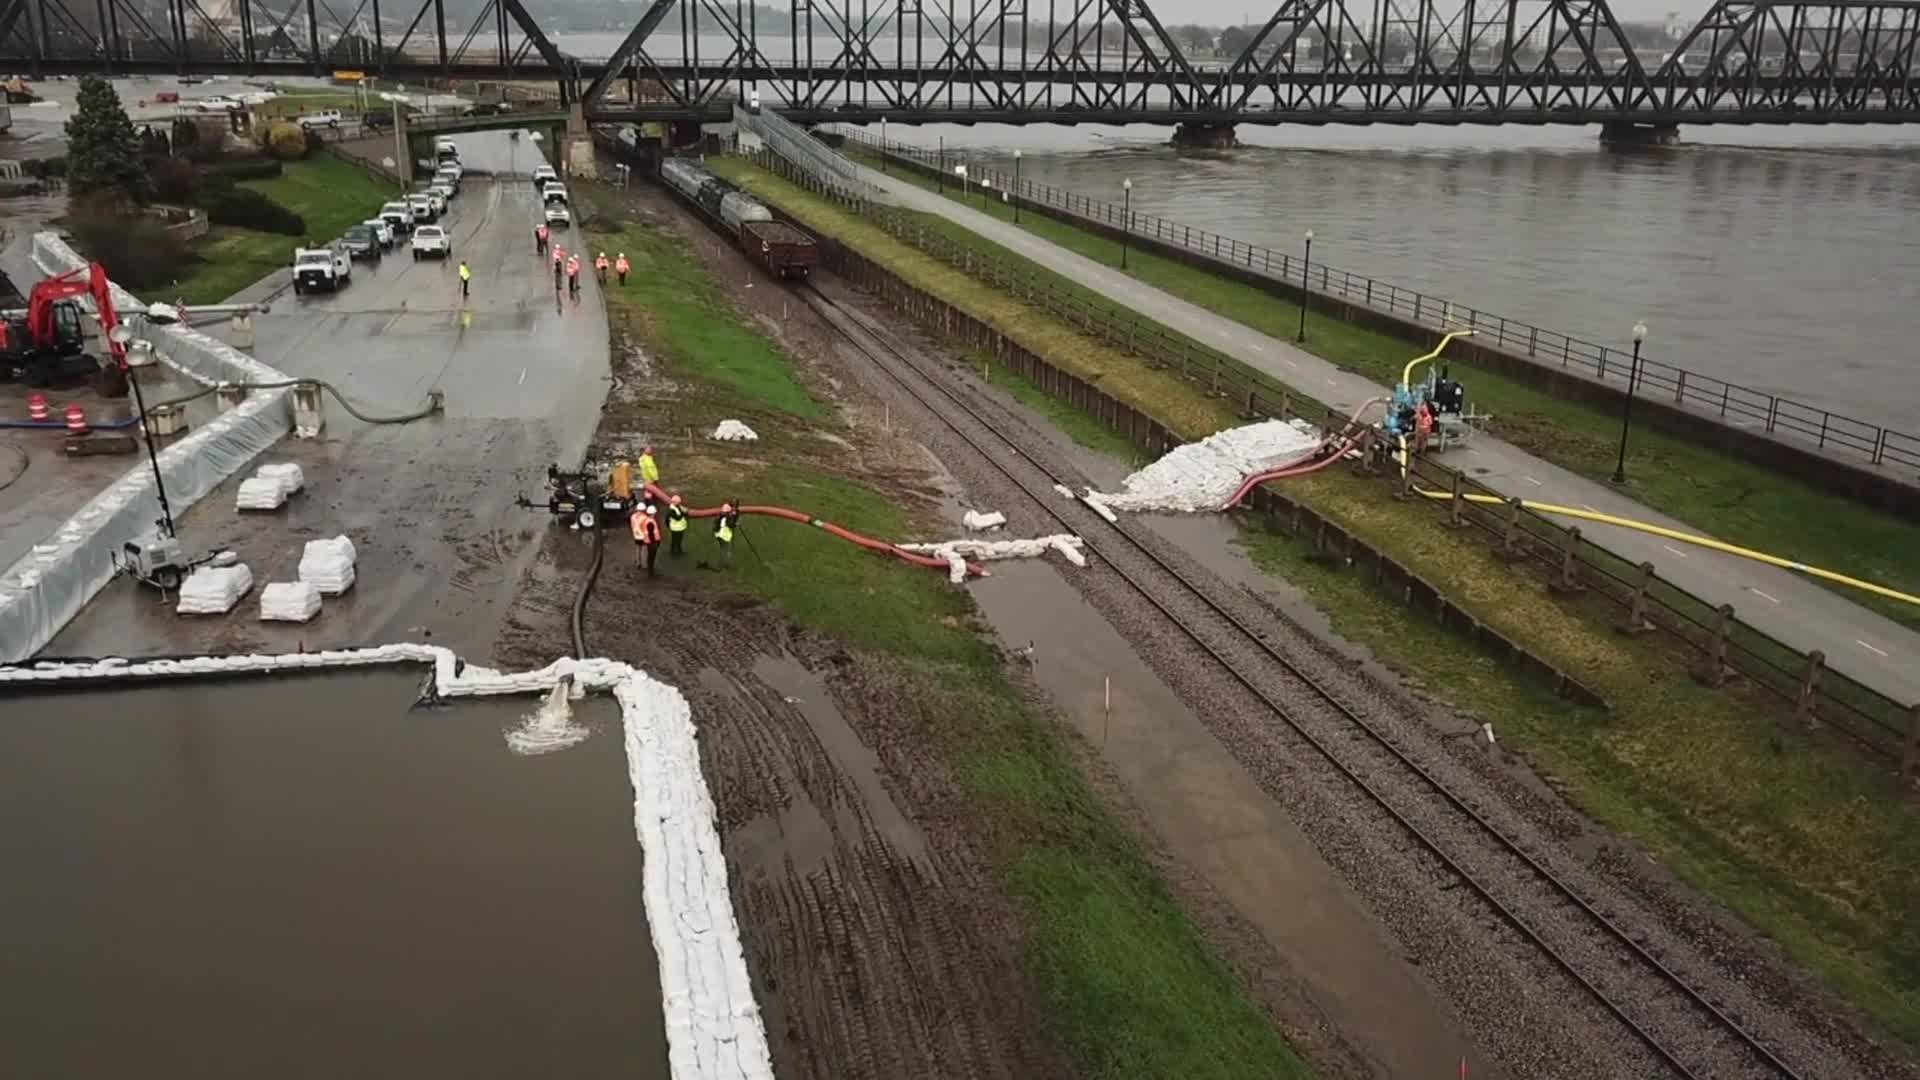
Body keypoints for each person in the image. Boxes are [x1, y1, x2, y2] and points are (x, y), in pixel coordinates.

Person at [633, 505, 664, 577]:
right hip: (652, 542)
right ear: (653, 513)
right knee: (651, 558)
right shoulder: (650, 521)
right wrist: (654, 542)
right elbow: (651, 533)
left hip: (648, 541)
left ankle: (650, 571)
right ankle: (651, 572)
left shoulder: (646, 520)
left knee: (649, 557)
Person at [713, 500, 739, 569]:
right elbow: (730, 524)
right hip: (724, 535)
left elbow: (715, 525)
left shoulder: (719, 516)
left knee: (723, 549)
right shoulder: (727, 517)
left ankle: (721, 563)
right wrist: (735, 524)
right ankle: (726, 564)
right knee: (727, 549)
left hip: (718, 534)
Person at [666, 492, 688, 557]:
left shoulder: (678, 507)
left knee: (679, 540)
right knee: (675, 540)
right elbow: (677, 518)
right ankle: (673, 551)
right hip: (675, 528)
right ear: (675, 502)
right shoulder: (671, 510)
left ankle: (678, 550)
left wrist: (685, 512)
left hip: (680, 527)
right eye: (678, 502)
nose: (679, 503)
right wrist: (684, 512)